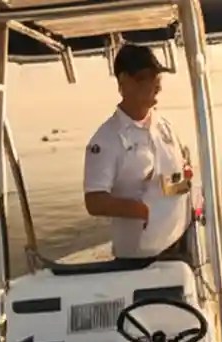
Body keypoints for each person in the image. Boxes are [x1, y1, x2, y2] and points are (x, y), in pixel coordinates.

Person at [83, 43, 196, 261]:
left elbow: (174, 176)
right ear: (124, 81)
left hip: (179, 242)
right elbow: (95, 202)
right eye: (147, 77)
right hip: (139, 257)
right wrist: (148, 212)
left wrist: (186, 182)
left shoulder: (165, 125)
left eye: (158, 78)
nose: (157, 86)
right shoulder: (105, 140)